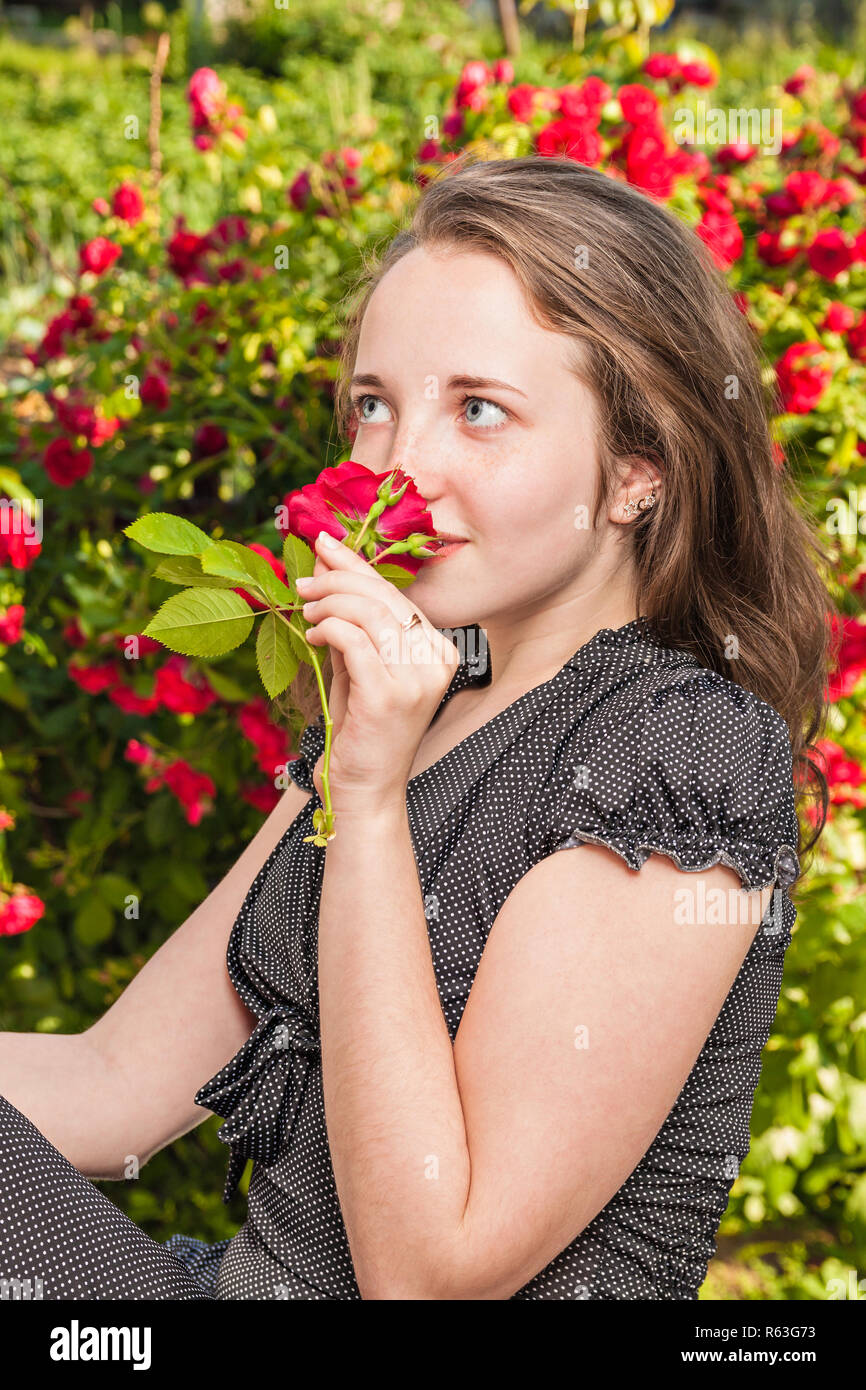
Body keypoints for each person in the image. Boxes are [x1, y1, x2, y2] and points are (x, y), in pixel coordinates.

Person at [0, 154, 836, 1300]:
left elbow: (431, 1273)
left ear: (637, 470)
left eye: (477, 409)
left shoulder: (678, 751)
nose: (397, 467)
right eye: (375, 404)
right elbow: (110, 1083)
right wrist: (366, 768)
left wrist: (373, 795)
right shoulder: (412, 703)